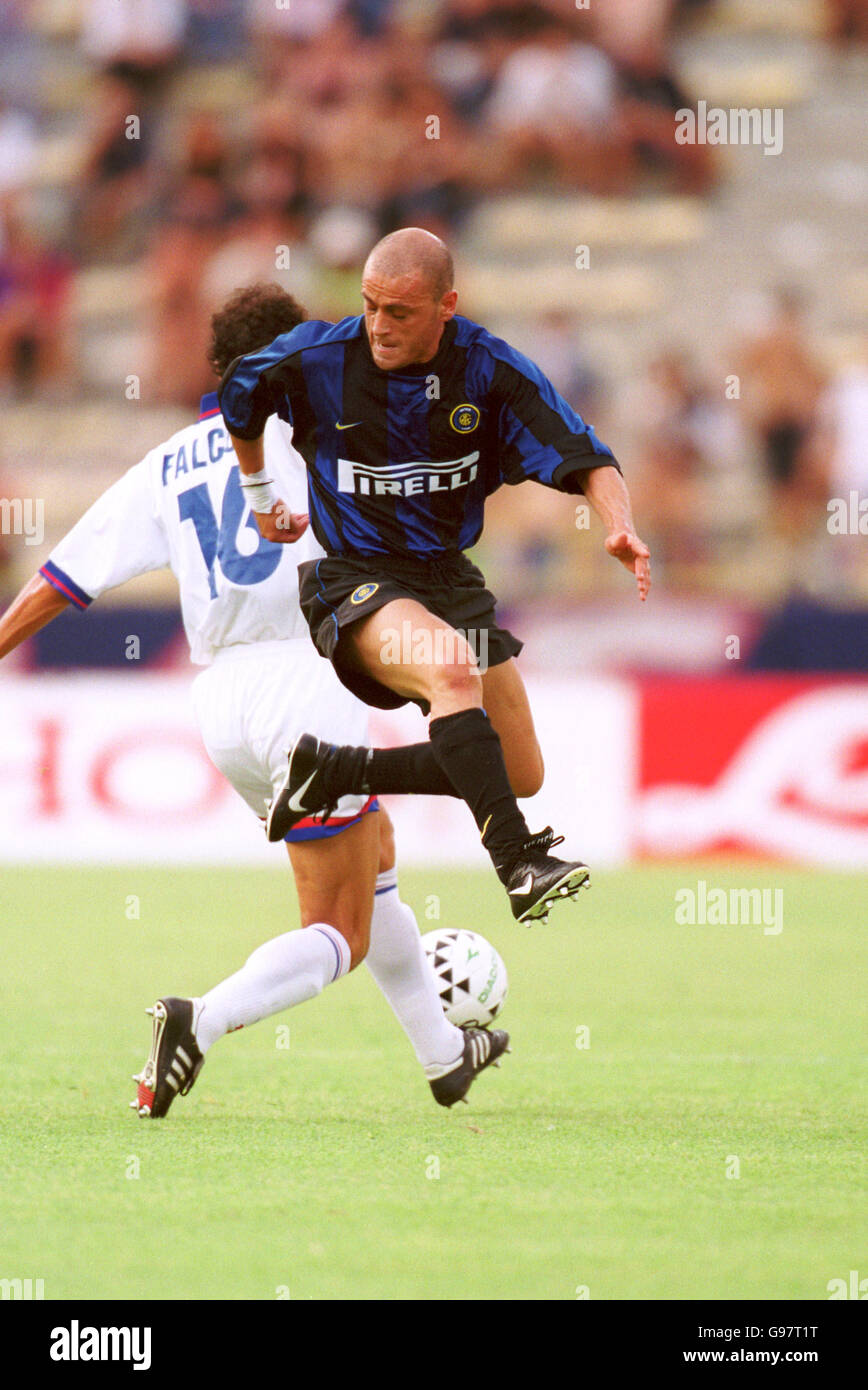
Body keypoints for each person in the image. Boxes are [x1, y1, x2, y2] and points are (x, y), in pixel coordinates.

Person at [0, 283, 508, 1116]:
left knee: (372, 856)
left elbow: (61, 580)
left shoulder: (165, 462)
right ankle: (200, 1019)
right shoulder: (327, 435)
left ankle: (445, 1055)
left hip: (222, 700)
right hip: (306, 680)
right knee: (337, 928)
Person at [218, 229, 650, 924]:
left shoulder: (489, 374)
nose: (379, 327)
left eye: (400, 313)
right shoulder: (321, 358)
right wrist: (260, 491)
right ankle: (518, 862)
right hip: (355, 579)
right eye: (370, 306)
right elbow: (239, 388)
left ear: (447, 305)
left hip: (449, 581)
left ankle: (333, 771)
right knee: (451, 670)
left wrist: (617, 523)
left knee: (515, 771)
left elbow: (586, 454)